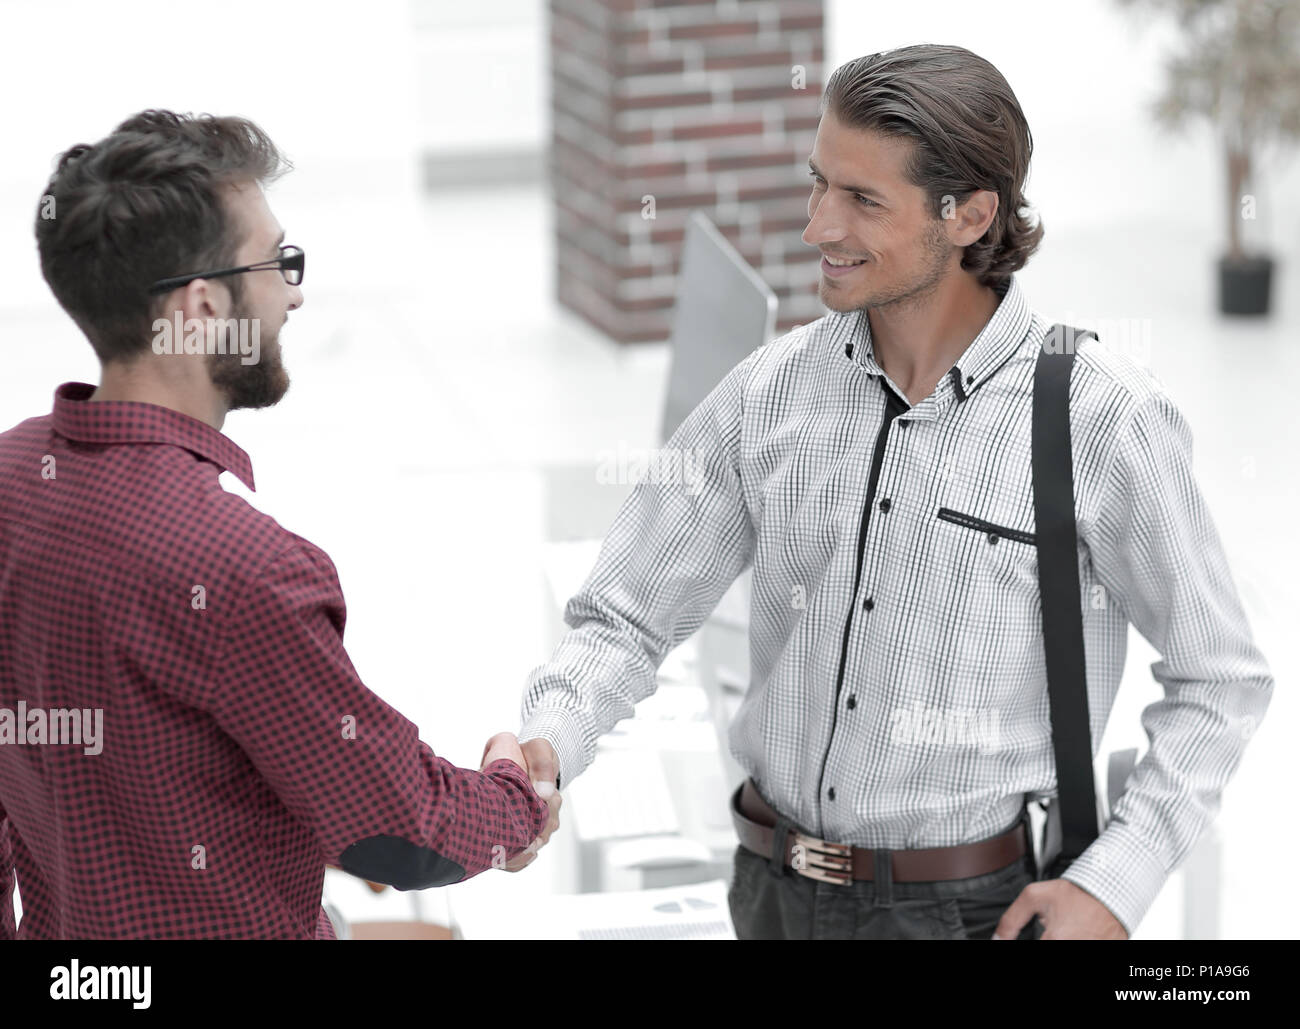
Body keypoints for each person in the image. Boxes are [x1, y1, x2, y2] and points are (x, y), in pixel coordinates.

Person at [513, 45, 1274, 939]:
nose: (818, 228)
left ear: (971, 215)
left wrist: (1114, 882)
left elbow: (1220, 677)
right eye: (818, 185)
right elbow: (627, 614)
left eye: (863, 201)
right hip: (768, 891)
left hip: (962, 915)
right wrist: (547, 747)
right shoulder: (774, 389)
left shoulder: (1102, 420)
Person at [0, 109, 558, 939]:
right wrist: (516, 797)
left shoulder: (13, 477)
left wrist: (299, 821)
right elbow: (402, 836)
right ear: (200, 307)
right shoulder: (243, 569)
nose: (294, 292)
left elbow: (136, 767)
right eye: (277, 263)